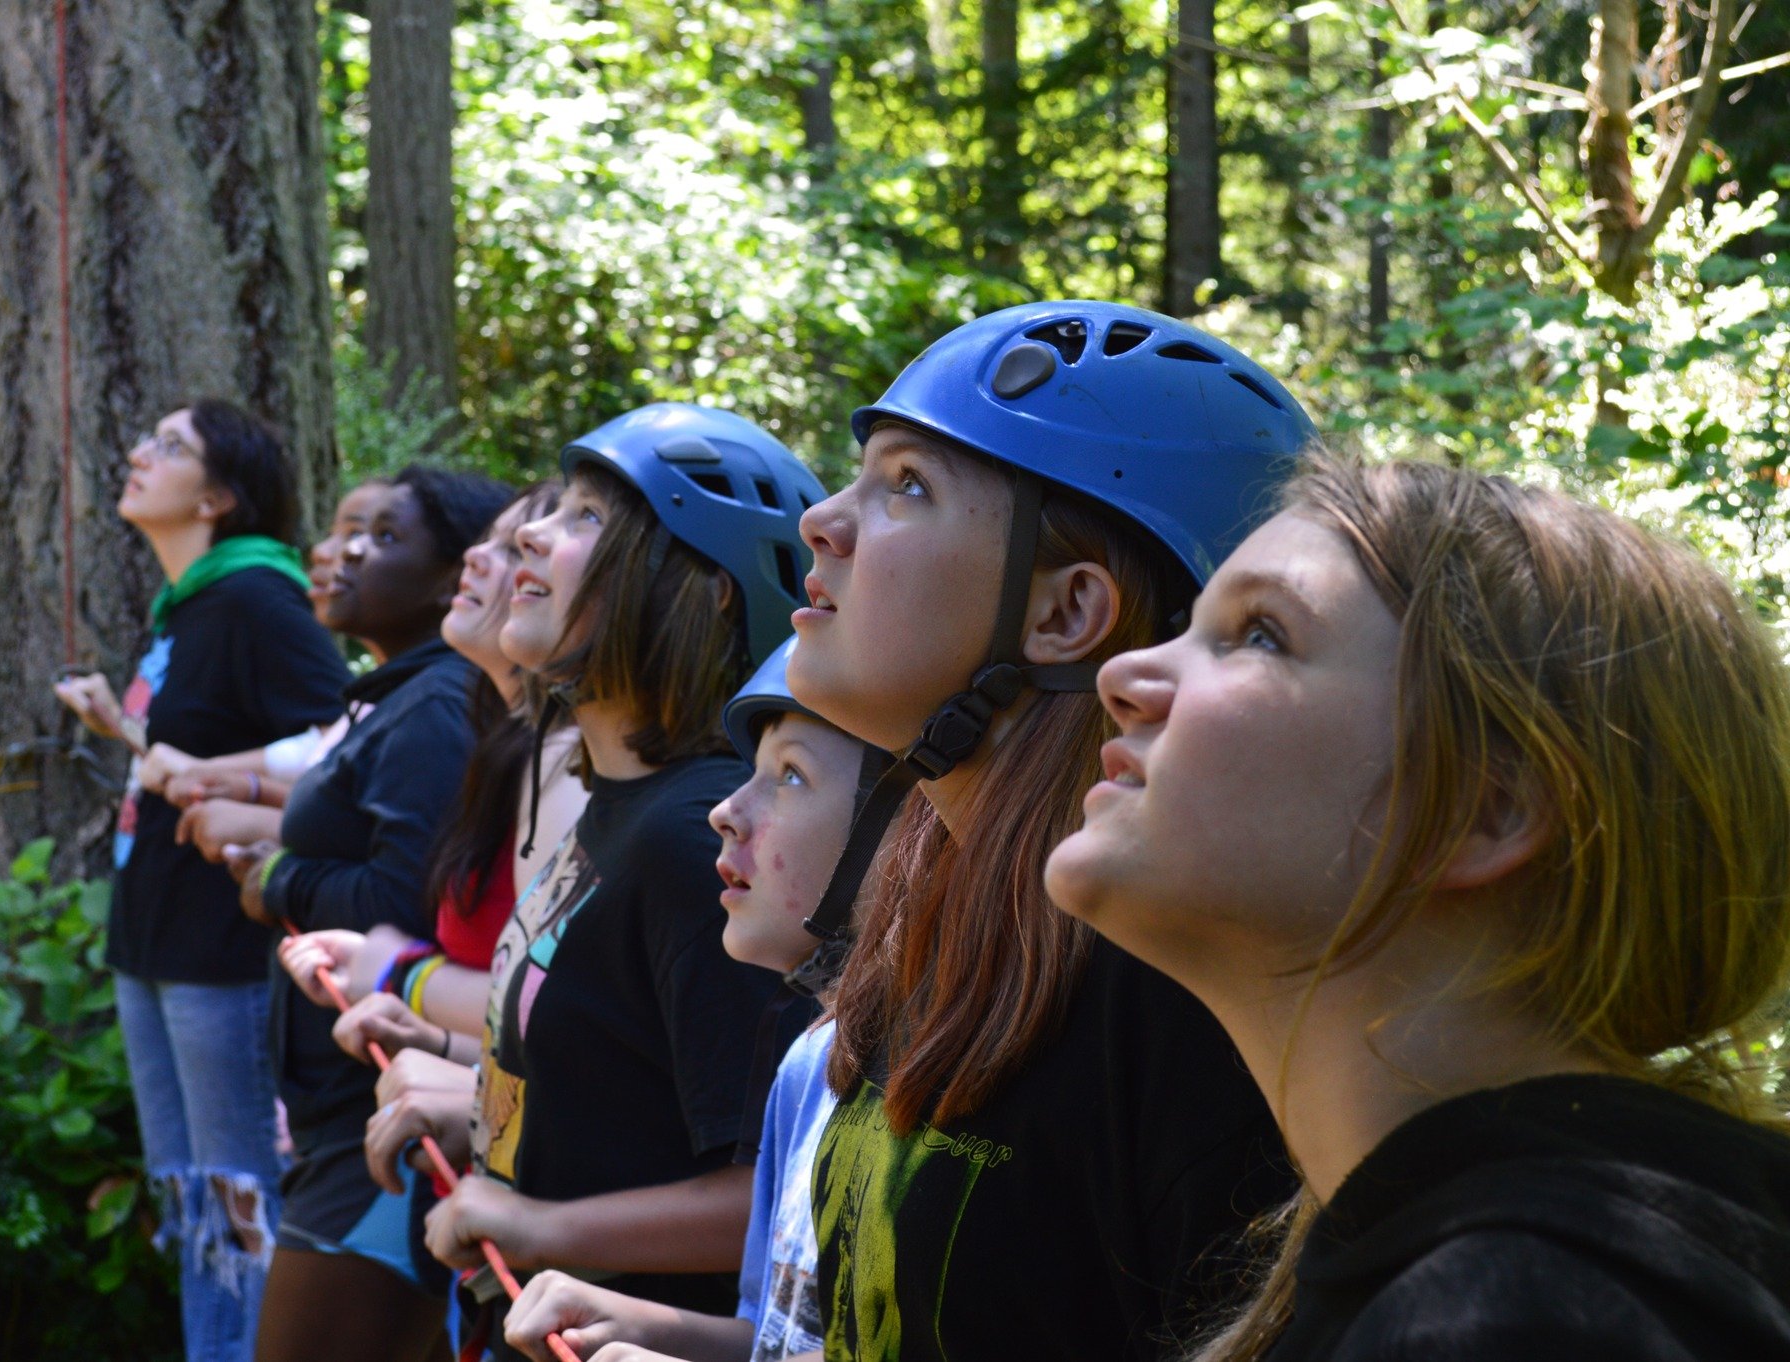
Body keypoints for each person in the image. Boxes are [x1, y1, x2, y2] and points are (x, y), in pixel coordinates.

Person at [1044, 454, 1790, 1361]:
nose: (1122, 675)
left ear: (1484, 807)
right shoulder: (1500, 1271)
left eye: (1260, 634)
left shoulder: (1521, 1315)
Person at [782, 302, 1310, 1361]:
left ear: (1066, 616)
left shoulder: (1175, 1003)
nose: (821, 521)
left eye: (906, 487)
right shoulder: (930, 912)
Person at [390, 403, 825, 1355]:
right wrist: (480, 1116)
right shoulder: (620, 802)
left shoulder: (700, 836)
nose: (533, 532)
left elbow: (774, 1186)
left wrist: (546, 1229)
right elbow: (621, 1084)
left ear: (704, 591)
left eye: (585, 517)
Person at [53, 400, 351, 1362]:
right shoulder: (189, 608)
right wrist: (123, 732)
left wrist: (229, 778)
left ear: (219, 497)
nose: (138, 452)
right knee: (190, 1192)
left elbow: (342, 743)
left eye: (171, 447)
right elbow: (193, 764)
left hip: (222, 953)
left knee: (237, 1195)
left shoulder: (261, 599)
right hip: (152, 943)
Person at [499, 637, 886, 1362]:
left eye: (792, 776)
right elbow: (770, 1339)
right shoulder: (811, 1067)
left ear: (911, 823)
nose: (726, 810)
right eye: (754, 772)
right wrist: (638, 1324)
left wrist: (545, 1226)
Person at [217, 465, 514, 1362]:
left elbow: (401, 898)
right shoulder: (399, 695)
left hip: (384, 1113)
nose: (343, 552)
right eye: (342, 529)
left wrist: (278, 880)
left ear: (451, 575)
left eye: (383, 538)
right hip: (353, 1108)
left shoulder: (429, 710)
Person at [276, 481, 587, 1077]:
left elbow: (565, 1020)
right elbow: (535, 1036)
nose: (477, 557)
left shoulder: (565, 760)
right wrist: (436, 1043)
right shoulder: (507, 742)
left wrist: (400, 972)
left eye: (519, 551)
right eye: (491, 541)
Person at [164, 477, 390, 862]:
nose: (322, 552)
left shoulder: (259, 595)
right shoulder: (180, 601)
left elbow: (394, 874)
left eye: (373, 536)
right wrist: (254, 789)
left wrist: (275, 876)